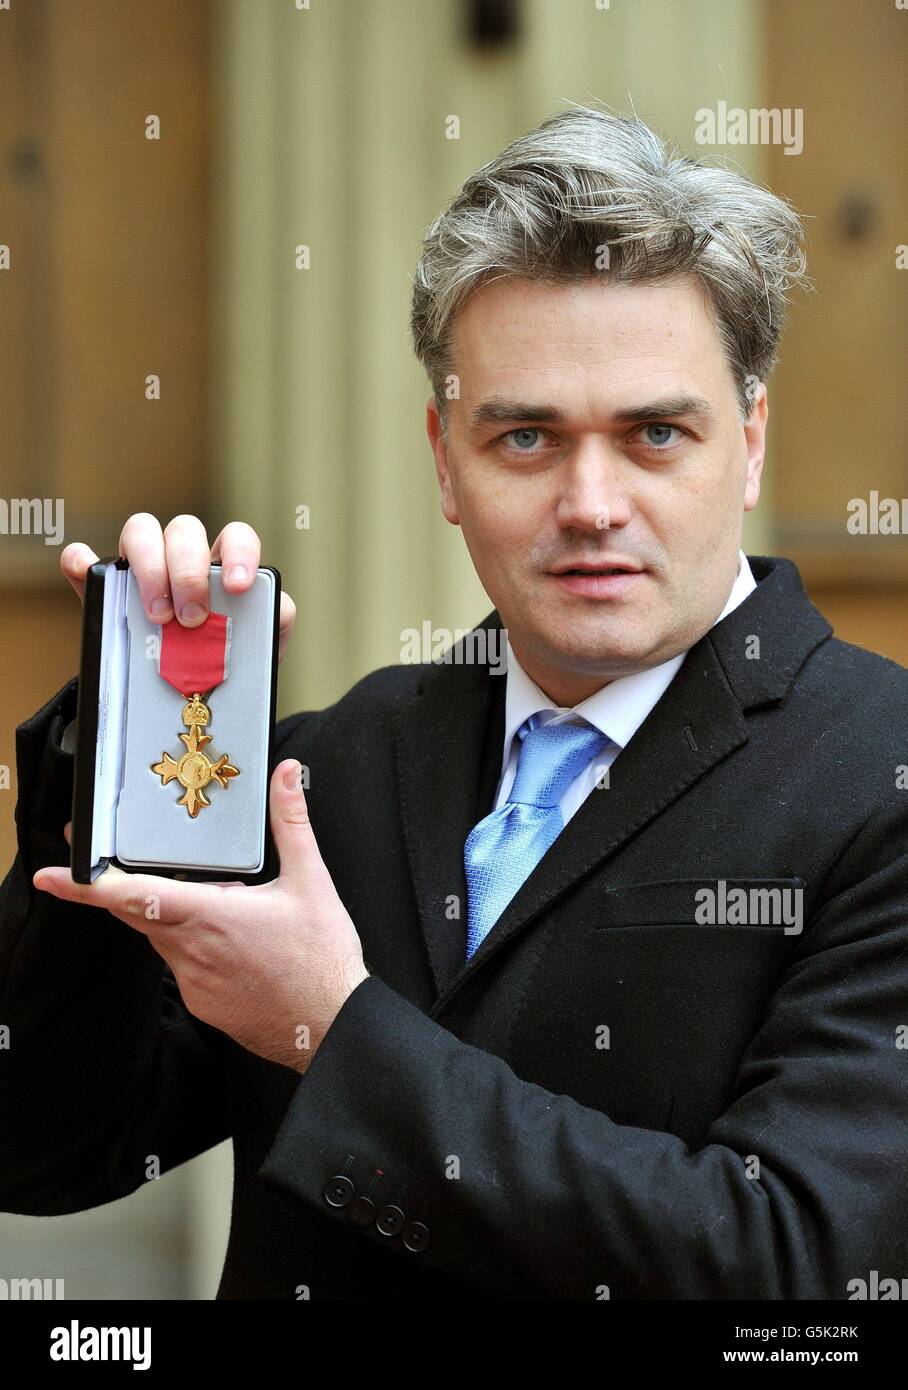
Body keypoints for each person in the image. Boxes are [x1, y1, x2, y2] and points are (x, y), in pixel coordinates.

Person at [3, 105, 908, 1300]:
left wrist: (335, 1028)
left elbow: (792, 1273)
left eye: (653, 433)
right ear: (443, 459)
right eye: (524, 435)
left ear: (745, 442)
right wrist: (146, 732)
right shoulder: (326, 763)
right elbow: (48, 1147)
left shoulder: (877, 776)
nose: (590, 501)